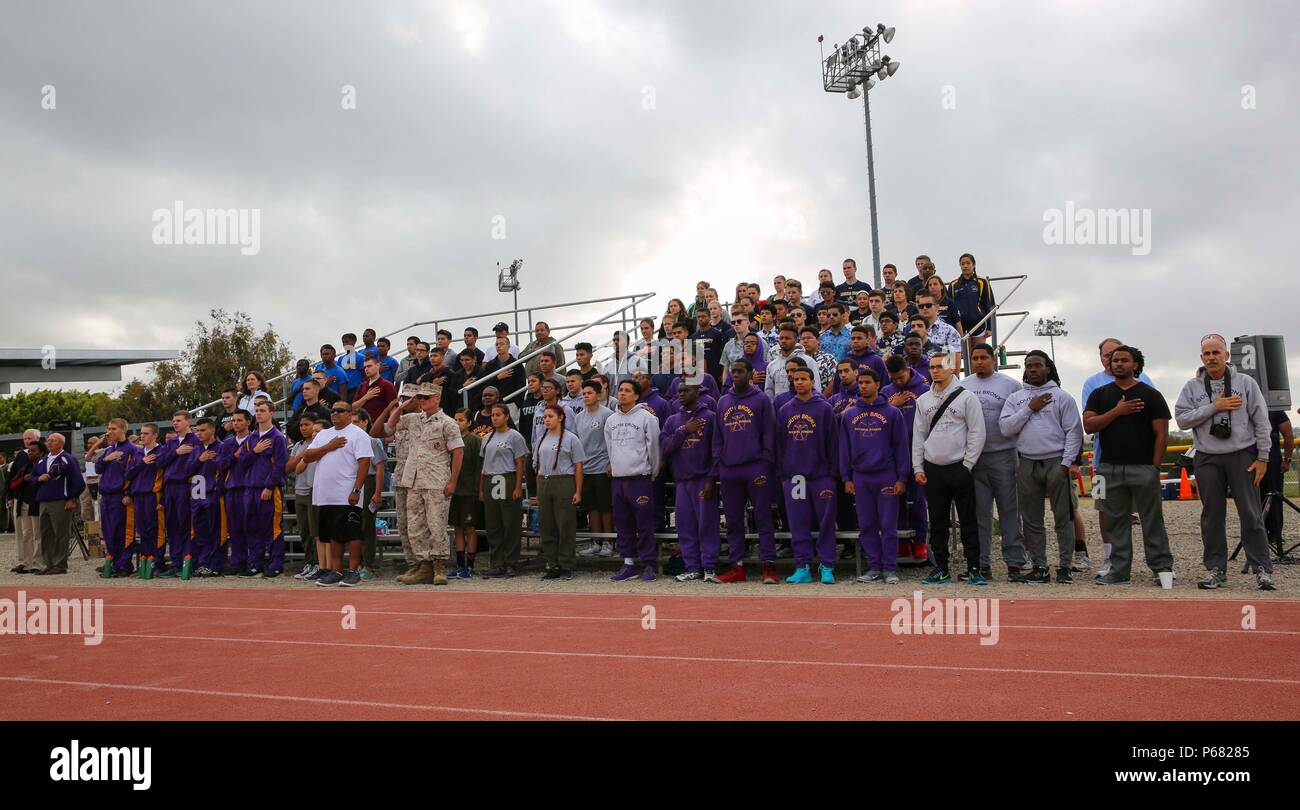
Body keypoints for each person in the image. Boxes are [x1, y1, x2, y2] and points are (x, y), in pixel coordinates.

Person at [1174, 334, 1275, 590]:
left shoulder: (1245, 383)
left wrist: (1263, 457)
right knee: (1212, 514)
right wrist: (1214, 407)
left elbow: (1262, 421)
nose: (1211, 358)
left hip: (1241, 454)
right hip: (1207, 456)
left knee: (1250, 513)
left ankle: (1262, 569)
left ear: (1226, 356)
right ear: (1201, 358)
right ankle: (1216, 568)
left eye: (1216, 352)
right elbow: (1182, 420)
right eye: (1207, 354)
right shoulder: (1192, 387)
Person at [1083, 345, 1175, 587]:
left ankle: (1162, 568)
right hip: (1109, 467)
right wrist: (1117, 411)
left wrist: (1154, 467)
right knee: (1115, 522)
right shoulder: (1099, 394)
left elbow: (1162, 434)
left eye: (1124, 360)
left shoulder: (1151, 395)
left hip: (1143, 468)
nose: (1118, 364)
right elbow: (1089, 425)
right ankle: (1119, 571)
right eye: (1115, 360)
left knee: (1152, 520)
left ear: (1136, 364)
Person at [998, 351, 1083, 584]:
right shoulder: (1016, 398)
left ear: (1048, 368)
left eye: (1038, 365)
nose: (1033, 369)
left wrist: (1066, 463)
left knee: (1063, 518)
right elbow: (1006, 428)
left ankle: (1065, 567)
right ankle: (1040, 567)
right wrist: (1029, 408)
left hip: (1057, 461)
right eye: (1029, 366)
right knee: (1032, 519)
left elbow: (1074, 432)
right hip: (1027, 462)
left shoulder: (1062, 397)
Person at [912, 353, 986, 584]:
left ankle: (974, 568)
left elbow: (977, 432)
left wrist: (968, 464)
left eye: (940, 366)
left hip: (960, 467)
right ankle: (941, 568)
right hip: (933, 468)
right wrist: (918, 467)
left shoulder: (967, 397)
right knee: (938, 522)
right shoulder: (923, 400)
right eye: (932, 367)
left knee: (968, 521)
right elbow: (918, 436)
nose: (935, 371)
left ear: (952, 368)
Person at [961, 343, 1028, 579]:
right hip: (975, 457)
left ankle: (1014, 562)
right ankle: (981, 564)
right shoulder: (963, 386)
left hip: (1004, 454)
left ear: (993, 359)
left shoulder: (1011, 385)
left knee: (1010, 510)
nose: (979, 362)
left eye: (984, 357)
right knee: (980, 513)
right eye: (975, 358)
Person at [387, 382, 464, 586]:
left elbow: (458, 452)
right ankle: (423, 566)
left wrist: (453, 481)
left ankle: (439, 566)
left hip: (436, 480)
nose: (422, 400)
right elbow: (390, 425)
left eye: (426, 397)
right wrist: (403, 406)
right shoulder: (413, 419)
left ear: (437, 398)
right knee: (415, 526)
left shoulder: (448, 423)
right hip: (413, 480)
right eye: (419, 397)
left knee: (436, 524)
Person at [713, 360, 780, 583]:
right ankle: (737, 567)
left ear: (751, 374)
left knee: (763, 517)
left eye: (740, 371)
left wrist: (765, 461)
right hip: (729, 469)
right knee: (733, 520)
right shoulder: (723, 401)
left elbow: (769, 432)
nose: (735, 375)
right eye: (733, 371)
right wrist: (720, 462)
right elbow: (717, 436)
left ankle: (768, 565)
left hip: (756, 466)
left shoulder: (761, 399)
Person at [841, 369, 909, 583]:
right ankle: (873, 567)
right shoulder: (849, 415)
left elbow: (901, 447)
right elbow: (844, 448)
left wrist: (902, 478)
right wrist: (846, 478)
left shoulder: (892, 413)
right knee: (866, 524)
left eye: (867, 382)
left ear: (878, 384)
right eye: (860, 382)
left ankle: (889, 568)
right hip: (860, 476)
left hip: (886, 475)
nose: (863, 386)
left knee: (888, 524)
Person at [776, 366, 840, 584]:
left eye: (803, 378)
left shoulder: (824, 409)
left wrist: (832, 474)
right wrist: (783, 475)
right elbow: (780, 446)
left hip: (821, 477)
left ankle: (827, 566)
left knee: (826, 523)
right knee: (798, 523)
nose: (799, 382)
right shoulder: (785, 410)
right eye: (796, 379)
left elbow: (833, 443)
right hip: (795, 479)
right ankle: (802, 566)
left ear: (813, 382)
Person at [301, 400, 374, 588]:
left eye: (340, 410)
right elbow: (307, 456)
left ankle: (353, 571)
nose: (334, 413)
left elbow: (364, 463)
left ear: (350, 413)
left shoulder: (358, 434)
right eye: (333, 410)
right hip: (325, 494)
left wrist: (356, 489)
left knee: (352, 534)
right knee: (332, 535)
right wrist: (329, 446)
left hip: (347, 492)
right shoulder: (324, 435)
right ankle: (336, 571)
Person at [660, 382, 719, 582]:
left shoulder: (710, 417)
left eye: (686, 391)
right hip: (682, 481)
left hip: (702, 479)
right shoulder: (672, 420)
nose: (681, 394)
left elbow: (716, 450)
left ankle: (709, 567)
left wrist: (711, 479)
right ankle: (692, 567)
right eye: (679, 391)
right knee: (685, 526)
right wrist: (684, 430)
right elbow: (665, 447)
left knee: (707, 525)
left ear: (697, 391)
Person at [605, 380, 662, 582]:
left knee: (644, 524)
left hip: (639, 479)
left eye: (627, 391)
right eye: (620, 390)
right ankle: (628, 564)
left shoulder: (647, 418)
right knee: (622, 523)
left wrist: (651, 472)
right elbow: (610, 448)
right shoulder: (611, 420)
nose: (622, 393)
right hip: (618, 480)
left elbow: (654, 449)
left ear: (636, 396)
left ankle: (649, 564)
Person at [883, 354, 932, 562]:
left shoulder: (924, 389)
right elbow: (881, 420)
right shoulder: (887, 392)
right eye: (893, 378)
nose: (898, 382)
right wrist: (891, 405)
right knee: (896, 498)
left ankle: (920, 541)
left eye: (900, 377)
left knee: (919, 498)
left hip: (917, 451)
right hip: (894, 454)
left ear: (907, 370)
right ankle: (902, 542)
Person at [533, 404, 586, 579]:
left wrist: (578, 491)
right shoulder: (541, 438)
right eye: (545, 417)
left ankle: (566, 564)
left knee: (565, 524)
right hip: (545, 481)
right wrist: (538, 490)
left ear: (561, 418)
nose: (547, 420)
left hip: (564, 481)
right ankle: (552, 563)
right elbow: (538, 466)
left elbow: (578, 466)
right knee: (547, 525)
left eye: (551, 416)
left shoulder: (571, 439)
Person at [240, 400, 289, 578]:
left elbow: (280, 465)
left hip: (268, 489)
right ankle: (256, 562)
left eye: (262, 410)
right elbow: (242, 462)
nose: (259, 413)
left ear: (271, 413)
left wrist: (269, 486)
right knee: (252, 526)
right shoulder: (251, 438)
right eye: (257, 410)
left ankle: (276, 563)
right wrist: (255, 451)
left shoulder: (277, 437)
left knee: (272, 527)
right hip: (250, 488)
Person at [479, 404, 529, 577]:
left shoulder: (514, 436)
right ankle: (497, 562)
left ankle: (511, 562)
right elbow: (483, 465)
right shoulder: (487, 437)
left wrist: (518, 486)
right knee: (493, 524)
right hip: (490, 479)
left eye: (498, 415)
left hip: (507, 478)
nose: (494, 418)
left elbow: (520, 462)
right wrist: (481, 488)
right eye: (493, 415)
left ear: (506, 416)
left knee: (510, 523)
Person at [86, 420, 138, 577]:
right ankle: (115, 563)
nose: (109, 432)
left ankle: (124, 565)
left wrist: (129, 493)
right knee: (108, 532)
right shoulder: (109, 449)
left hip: (120, 496)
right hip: (106, 495)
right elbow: (97, 468)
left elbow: (134, 474)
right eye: (108, 428)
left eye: (113, 429)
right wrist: (106, 459)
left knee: (121, 531)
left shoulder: (132, 449)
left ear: (123, 430)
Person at [29, 432, 84, 576]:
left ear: (61, 443)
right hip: (44, 501)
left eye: (53, 440)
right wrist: (38, 479)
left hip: (60, 500)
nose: (49, 442)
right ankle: (49, 564)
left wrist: (72, 498)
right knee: (46, 533)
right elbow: (32, 477)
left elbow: (78, 481)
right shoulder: (43, 460)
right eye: (48, 440)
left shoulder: (67, 459)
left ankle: (60, 564)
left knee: (60, 533)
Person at [156, 410, 203, 578]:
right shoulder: (171, 443)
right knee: (173, 526)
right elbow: (160, 462)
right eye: (173, 420)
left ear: (188, 421)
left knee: (187, 525)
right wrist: (176, 452)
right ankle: (176, 563)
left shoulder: (196, 440)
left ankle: (188, 562)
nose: (175, 423)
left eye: (179, 420)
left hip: (186, 486)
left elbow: (196, 465)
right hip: (170, 488)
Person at [575, 380, 616, 557]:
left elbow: (614, 441)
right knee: (591, 508)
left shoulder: (608, 415)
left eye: (589, 393)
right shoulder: (578, 417)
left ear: (598, 395)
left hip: (603, 468)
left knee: (605, 507)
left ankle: (608, 542)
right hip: (586, 468)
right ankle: (595, 542)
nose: (586, 396)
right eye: (584, 393)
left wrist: (612, 463)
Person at [125, 423, 166, 578]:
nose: (142, 436)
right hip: (138, 495)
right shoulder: (137, 452)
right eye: (141, 433)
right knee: (142, 531)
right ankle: (145, 562)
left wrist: (163, 498)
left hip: (153, 494)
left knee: (155, 530)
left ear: (155, 435)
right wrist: (141, 463)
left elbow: (166, 476)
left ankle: (157, 562)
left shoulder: (162, 451)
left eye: (146, 433)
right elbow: (128, 475)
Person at [216, 411, 253, 578]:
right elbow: (220, 464)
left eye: (239, 420)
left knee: (250, 527)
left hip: (248, 487)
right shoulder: (227, 443)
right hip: (231, 488)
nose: (235, 423)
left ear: (248, 422)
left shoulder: (253, 440)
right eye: (234, 420)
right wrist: (234, 456)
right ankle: (238, 562)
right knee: (235, 528)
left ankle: (253, 562)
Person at [351, 409, 386, 580]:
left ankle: (368, 564)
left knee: (368, 524)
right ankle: (355, 562)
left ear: (365, 422)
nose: (353, 426)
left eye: (356, 422)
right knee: (353, 523)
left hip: (369, 481)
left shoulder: (373, 442)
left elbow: (379, 468)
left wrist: (377, 492)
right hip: (352, 481)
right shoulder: (349, 441)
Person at [188, 417, 226, 578]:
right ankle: (202, 563)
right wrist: (199, 460)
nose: (199, 433)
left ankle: (216, 565)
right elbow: (187, 470)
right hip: (197, 493)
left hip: (213, 493)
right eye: (197, 431)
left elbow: (225, 468)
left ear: (212, 430)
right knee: (199, 530)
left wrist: (218, 492)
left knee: (215, 530)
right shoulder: (195, 448)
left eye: (203, 430)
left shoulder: (221, 447)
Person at [449, 410, 483, 578]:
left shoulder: (474, 440)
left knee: (470, 528)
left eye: (461, 420)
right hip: (454, 491)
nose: (457, 423)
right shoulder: (450, 440)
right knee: (457, 528)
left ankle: (470, 565)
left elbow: (479, 467)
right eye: (455, 420)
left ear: (469, 422)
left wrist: (478, 489)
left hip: (469, 491)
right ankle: (459, 564)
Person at [288, 414, 322, 580]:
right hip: (300, 491)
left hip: (314, 491)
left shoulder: (321, 444)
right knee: (304, 531)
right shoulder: (298, 445)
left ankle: (319, 563)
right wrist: (301, 455)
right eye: (301, 425)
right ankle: (309, 562)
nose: (303, 428)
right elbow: (289, 468)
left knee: (315, 531)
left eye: (307, 425)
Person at [7, 431, 42, 574]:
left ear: (37, 439)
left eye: (30, 438)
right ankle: (26, 561)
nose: (27, 441)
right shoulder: (22, 456)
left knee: (37, 533)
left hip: (36, 499)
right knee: (25, 532)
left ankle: (37, 562)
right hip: (22, 498)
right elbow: (12, 477)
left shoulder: (43, 458)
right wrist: (10, 495)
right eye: (25, 438)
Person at [1262, 409, 1293, 543]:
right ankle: (1259, 531)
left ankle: (1275, 533)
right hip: (1250, 458)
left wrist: (1287, 460)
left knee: (1274, 496)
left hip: (1272, 460)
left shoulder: (1275, 409)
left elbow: (1288, 435)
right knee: (1254, 498)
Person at [948, 253, 995, 342]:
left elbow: (989, 304)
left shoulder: (982, 282)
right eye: (962, 264)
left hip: (979, 323)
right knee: (964, 350)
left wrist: (990, 328)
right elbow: (950, 307)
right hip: (960, 325)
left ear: (973, 265)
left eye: (968, 263)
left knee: (979, 349)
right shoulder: (953, 284)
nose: (965, 266)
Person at [354, 355, 398, 424]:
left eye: (369, 366)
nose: (366, 369)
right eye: (365, 367)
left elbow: (394, 408)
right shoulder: (362, 386)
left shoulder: (387, 385)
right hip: (362, 425)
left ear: (378, 366)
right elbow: (353, 407)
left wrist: (390, 425)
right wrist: (365, 398)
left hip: (380, 425)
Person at [288, 378, 332, 443]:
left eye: (307, 389)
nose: (304, 391)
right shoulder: (301, 410)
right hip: (301, 445)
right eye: (303, 389)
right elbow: (290, 431)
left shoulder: (326, 412)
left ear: (317, 390)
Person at [482, 334, 524, 401]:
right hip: (494, 402)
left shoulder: (516, 364)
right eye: (497, 344)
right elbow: (485, 383)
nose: (498, 346)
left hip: (511, 402)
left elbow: (521, 384)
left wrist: (517, 403)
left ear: (508, 346)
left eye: (502, 344)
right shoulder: (490, 365)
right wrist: (498, 377)